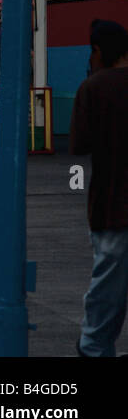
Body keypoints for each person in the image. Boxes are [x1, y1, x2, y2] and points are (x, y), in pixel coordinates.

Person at [71, 19, 128, 357]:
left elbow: (79, 144)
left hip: (112, 203)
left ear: (97, 51)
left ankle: (94, 346)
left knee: (108, 284)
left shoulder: (93, 88)